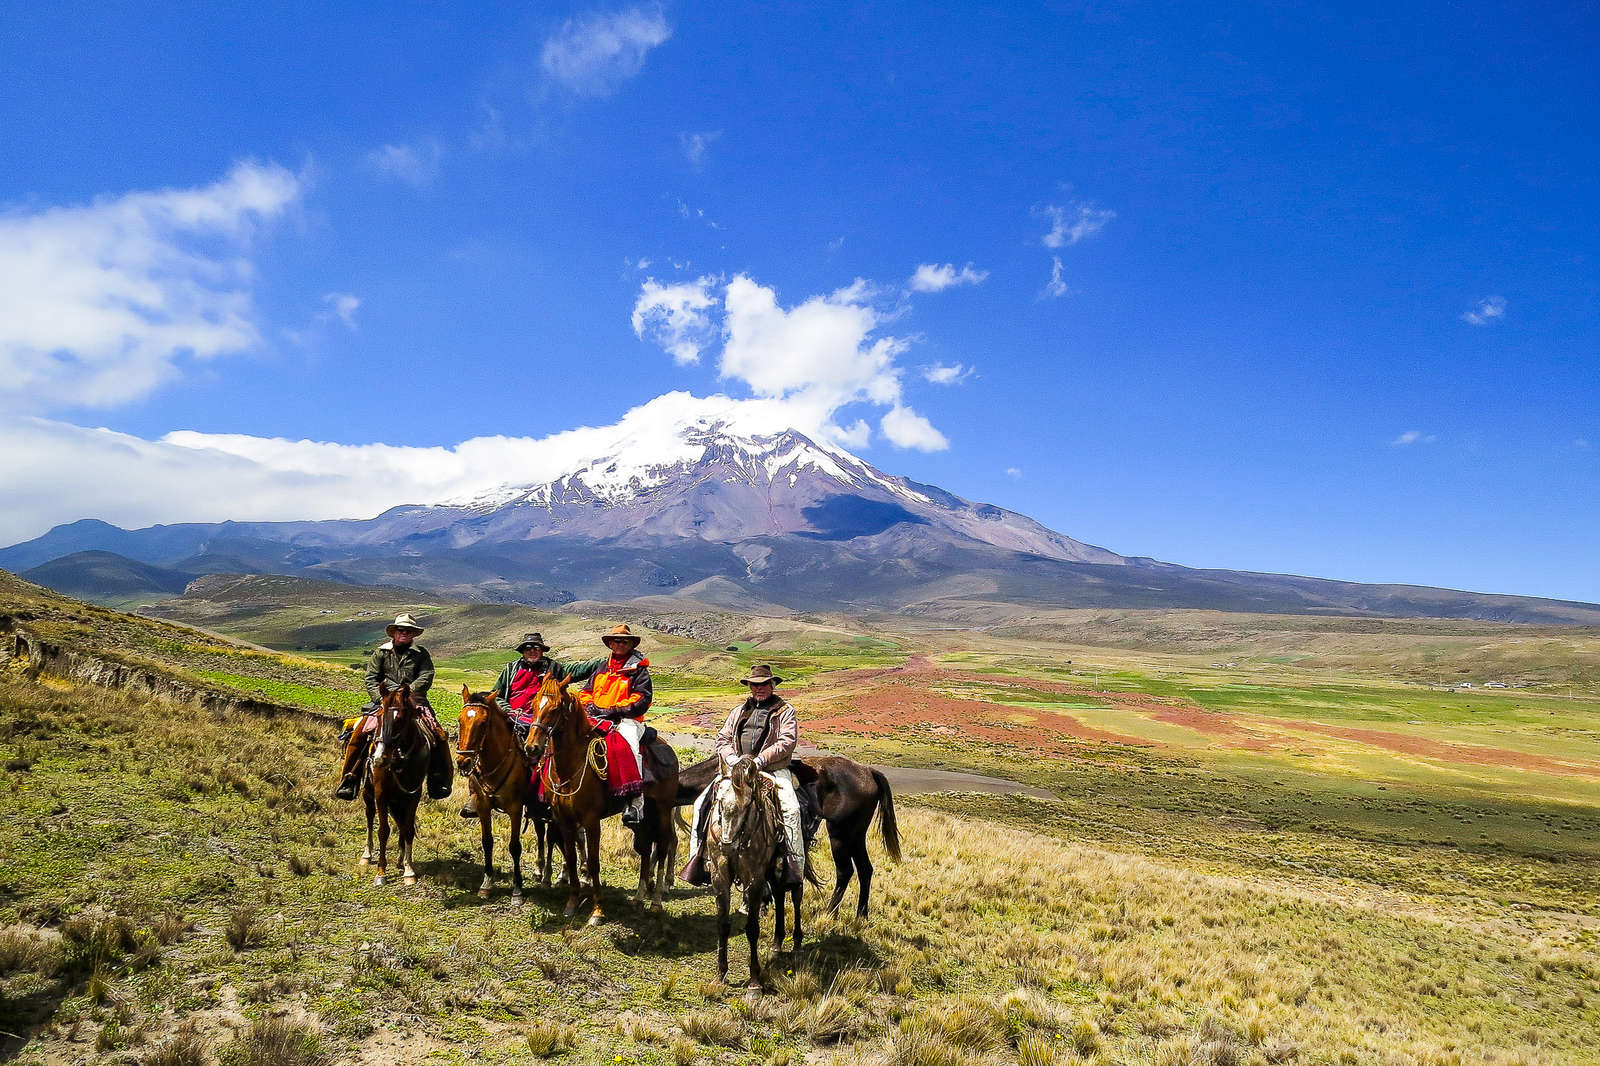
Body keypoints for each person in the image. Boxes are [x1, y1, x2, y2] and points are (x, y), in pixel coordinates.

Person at [457, 632, 609, 818]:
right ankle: (475, 794)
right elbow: (497, 694)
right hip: (513, 717)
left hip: (541, 721)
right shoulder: (511, 669)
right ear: (522, 651)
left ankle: (538, 799)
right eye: (528, 648)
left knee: (543, 756)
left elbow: (578, 670)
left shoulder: (554, 668)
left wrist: (607, 659)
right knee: (482, 743)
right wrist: (510, 711)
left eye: (536, 648)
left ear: (542, 650)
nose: (532, 651)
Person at [679, 665, 804, 888]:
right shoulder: (738, 711)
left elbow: (787, 741)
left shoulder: (785, 711)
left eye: (763, 684)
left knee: (791, 809)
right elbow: (722, 739)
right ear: (749, 686)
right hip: (736, 770)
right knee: (701, 805)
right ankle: (700, 861)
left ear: (772, 685)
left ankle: (792, 866)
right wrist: (732, 760)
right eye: (755, 684)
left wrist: (760, 760)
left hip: (771, 769)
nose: (759, 688)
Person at [333, 613, 452, 800]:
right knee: (359, 733)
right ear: (394, 632)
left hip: (413, 701)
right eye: (401, 630)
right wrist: (380, 698)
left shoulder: (421, 654)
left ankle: (438, 780)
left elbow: (427, 675)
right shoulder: (381, 653)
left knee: (438, 734)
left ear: (413, 634)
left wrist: (408, 692)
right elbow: (371, 678)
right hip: (384, 702)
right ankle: (350, 778)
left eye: (409, 631)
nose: (404, 633)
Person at [574, 624, 653, 825]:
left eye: (624, 641)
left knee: (630, 747)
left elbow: (642, 699)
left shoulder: (639, 669)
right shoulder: (602, 668)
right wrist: (590, 707)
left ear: (631, 644)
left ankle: (635, 803)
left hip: (627, 720)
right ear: (610, 643)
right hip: (597, 718)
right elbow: (585, 692)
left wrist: (615, 710)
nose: (620, 644)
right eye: (616, 640)